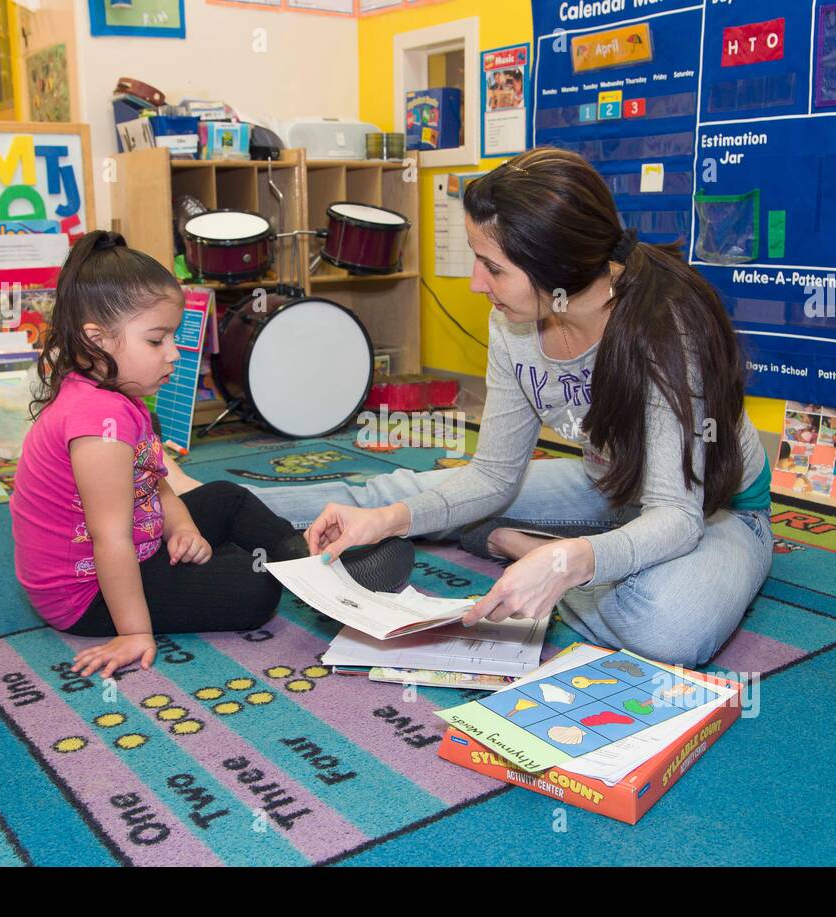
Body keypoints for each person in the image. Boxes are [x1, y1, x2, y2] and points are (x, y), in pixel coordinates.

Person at [246, 148, 773, 667]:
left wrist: (566, 563)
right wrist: (389, 521)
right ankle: (225, 499)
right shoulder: (511, 322)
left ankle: (540, 551)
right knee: (400, 495)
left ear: (558, 267)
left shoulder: (665, 330)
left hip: (715, 509)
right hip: (611, 485)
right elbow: (495, 477)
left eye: (492, 267)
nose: (477, 283)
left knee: (667, 625)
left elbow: (677, 517)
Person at [9, 231, 411, 679]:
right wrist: (135, 633)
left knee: (225, 495)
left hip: (132, 553)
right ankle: (299, 576)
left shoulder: (121, 398)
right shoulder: (95, 422)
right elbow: (111, 539)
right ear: (97, 340)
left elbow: (154, 483)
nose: (174, 354)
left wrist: (180, 527)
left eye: (172, 338)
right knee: (255, 589)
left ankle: (305, 560)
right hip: (89, 594)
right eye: (156, 341)